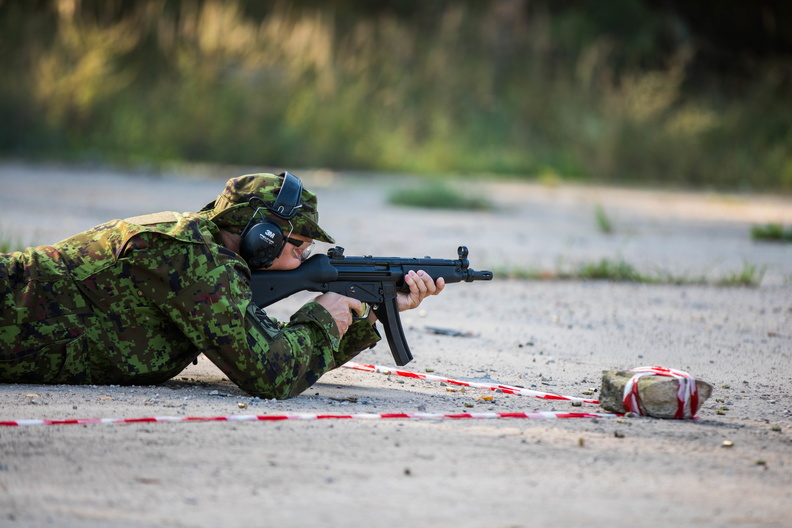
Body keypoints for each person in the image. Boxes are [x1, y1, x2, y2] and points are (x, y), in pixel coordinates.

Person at [0, 172, 444, 399]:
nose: (304, 258)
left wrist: (366, 309)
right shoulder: (195, 260)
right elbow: (272, 372)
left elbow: (274, 349)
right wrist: (327, 312)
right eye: (300, 245)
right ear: (262, 237)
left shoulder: (206, 253)